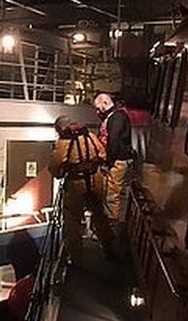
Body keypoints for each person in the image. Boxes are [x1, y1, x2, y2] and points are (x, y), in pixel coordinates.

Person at [48, 116, 115, 268]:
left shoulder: (63, 143)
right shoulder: (89, 135)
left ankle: (76, 259)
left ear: (60, 129)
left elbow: (55, 169)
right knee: (100, 215)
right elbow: (102, 154)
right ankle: (109, 248)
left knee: (72, 220)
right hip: (95, 180)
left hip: (75, 184)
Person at [94, 93, 136, 237]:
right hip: (116, 160)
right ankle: (111, 225)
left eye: (98, 108)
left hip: (117, 161)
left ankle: (113, 228)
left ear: (105, 103)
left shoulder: (116, 118)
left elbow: (114, 141)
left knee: (112, 194)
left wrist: (108, 162)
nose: (97, 111)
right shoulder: (115, 117)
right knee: (110, 193)